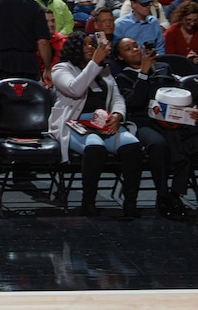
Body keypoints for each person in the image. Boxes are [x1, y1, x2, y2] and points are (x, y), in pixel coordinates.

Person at [50, 31, 143, 216]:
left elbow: (117, 97)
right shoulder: (61, 69)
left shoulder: (104, 69)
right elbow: (75, 89)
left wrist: (117, 115)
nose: (90, 47)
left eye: (91, 44)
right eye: (85, 44)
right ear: (75, 48)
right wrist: (94, 63)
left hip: (104, 122)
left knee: (132, 146)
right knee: (95, 147)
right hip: (75, 122)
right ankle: (88, 202)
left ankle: (130, 203)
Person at [115, 37, 198, 219]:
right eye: (128, 48)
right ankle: (163, 195)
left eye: (135, 45)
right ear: (120, 57)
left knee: (195, 139)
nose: (134, 49)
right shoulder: (123, 78)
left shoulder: (163, 68)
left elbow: (179, 95)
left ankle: (175, 194)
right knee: (158, 144)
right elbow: (134, 103)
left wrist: (192, 110)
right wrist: (143, 72)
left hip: (173, 118)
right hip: (144, 121)